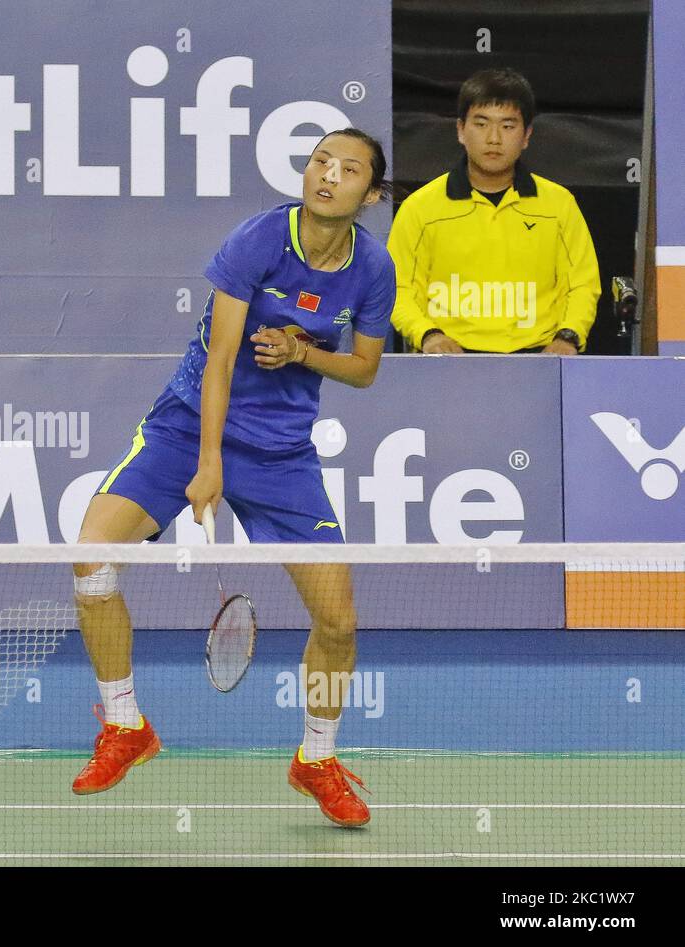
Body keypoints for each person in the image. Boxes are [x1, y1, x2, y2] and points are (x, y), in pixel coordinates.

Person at [71, 129, 396, 828]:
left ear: (370, 194)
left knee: (338, 619)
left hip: (281, 452)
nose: (327, 176)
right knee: (92, 558)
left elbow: (366, 368)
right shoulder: (258, 240)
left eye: (347, 170)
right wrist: (208, 462)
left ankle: (317, 758)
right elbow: (219, 360)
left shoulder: (372, 268)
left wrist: (303, 356)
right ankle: (125, 725)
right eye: (319, 162)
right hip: (188, 426)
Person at [388, 68, 599, 354]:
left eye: (508, 126)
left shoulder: (559, 205)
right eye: (482, 123)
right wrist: (428, 335)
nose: (494, 138)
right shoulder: (420, 208)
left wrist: (568, 337)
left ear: (527, 135)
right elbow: (397, 289)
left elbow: (583, 285)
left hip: (538, 359)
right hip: (447, 361)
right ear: (461, 130)